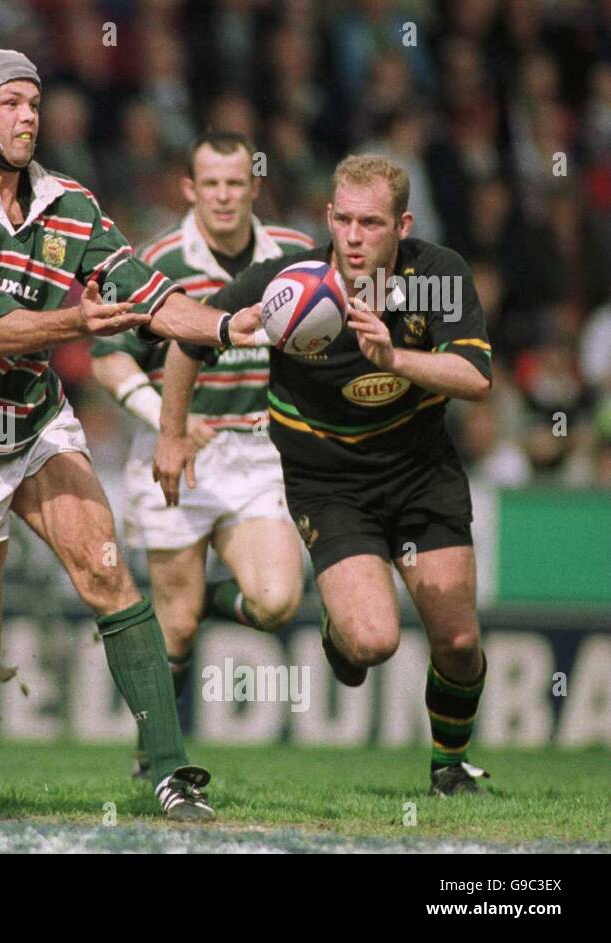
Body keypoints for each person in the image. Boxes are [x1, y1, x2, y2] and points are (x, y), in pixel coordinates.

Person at [0, 49, 261, 821]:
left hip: (36, 419)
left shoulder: (71, 204)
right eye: (11, 102)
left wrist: (228, 323)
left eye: (34, 102)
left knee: (107, 567)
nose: (28, 116)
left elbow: (151, 294)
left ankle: (169, 769)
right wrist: (77, 321)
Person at [155, 154, 493, 796]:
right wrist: (171, 432)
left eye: (372, 222)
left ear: (403, 225)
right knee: (372, 643)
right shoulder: (287, 286)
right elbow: (187, 339)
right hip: (330, 486)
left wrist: (396, 356)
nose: (355, 236)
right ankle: (344, 630)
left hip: (422, 475)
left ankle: (449, 767)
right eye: (344, 220)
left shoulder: (437, 277)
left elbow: (475, 378)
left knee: (456, 639)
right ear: (329, 218)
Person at [91, 130, 310, 779]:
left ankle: (195, 602)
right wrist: (168, 423)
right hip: (173, 452)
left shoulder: (296, 258)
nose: (222, 195)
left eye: (234, 183)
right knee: (178, 630)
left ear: (254, 186)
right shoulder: (155, 260)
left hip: (256, 454)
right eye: (210, 183)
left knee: (275, 602)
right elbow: (108, 361)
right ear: (190, 188)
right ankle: (153, 751)